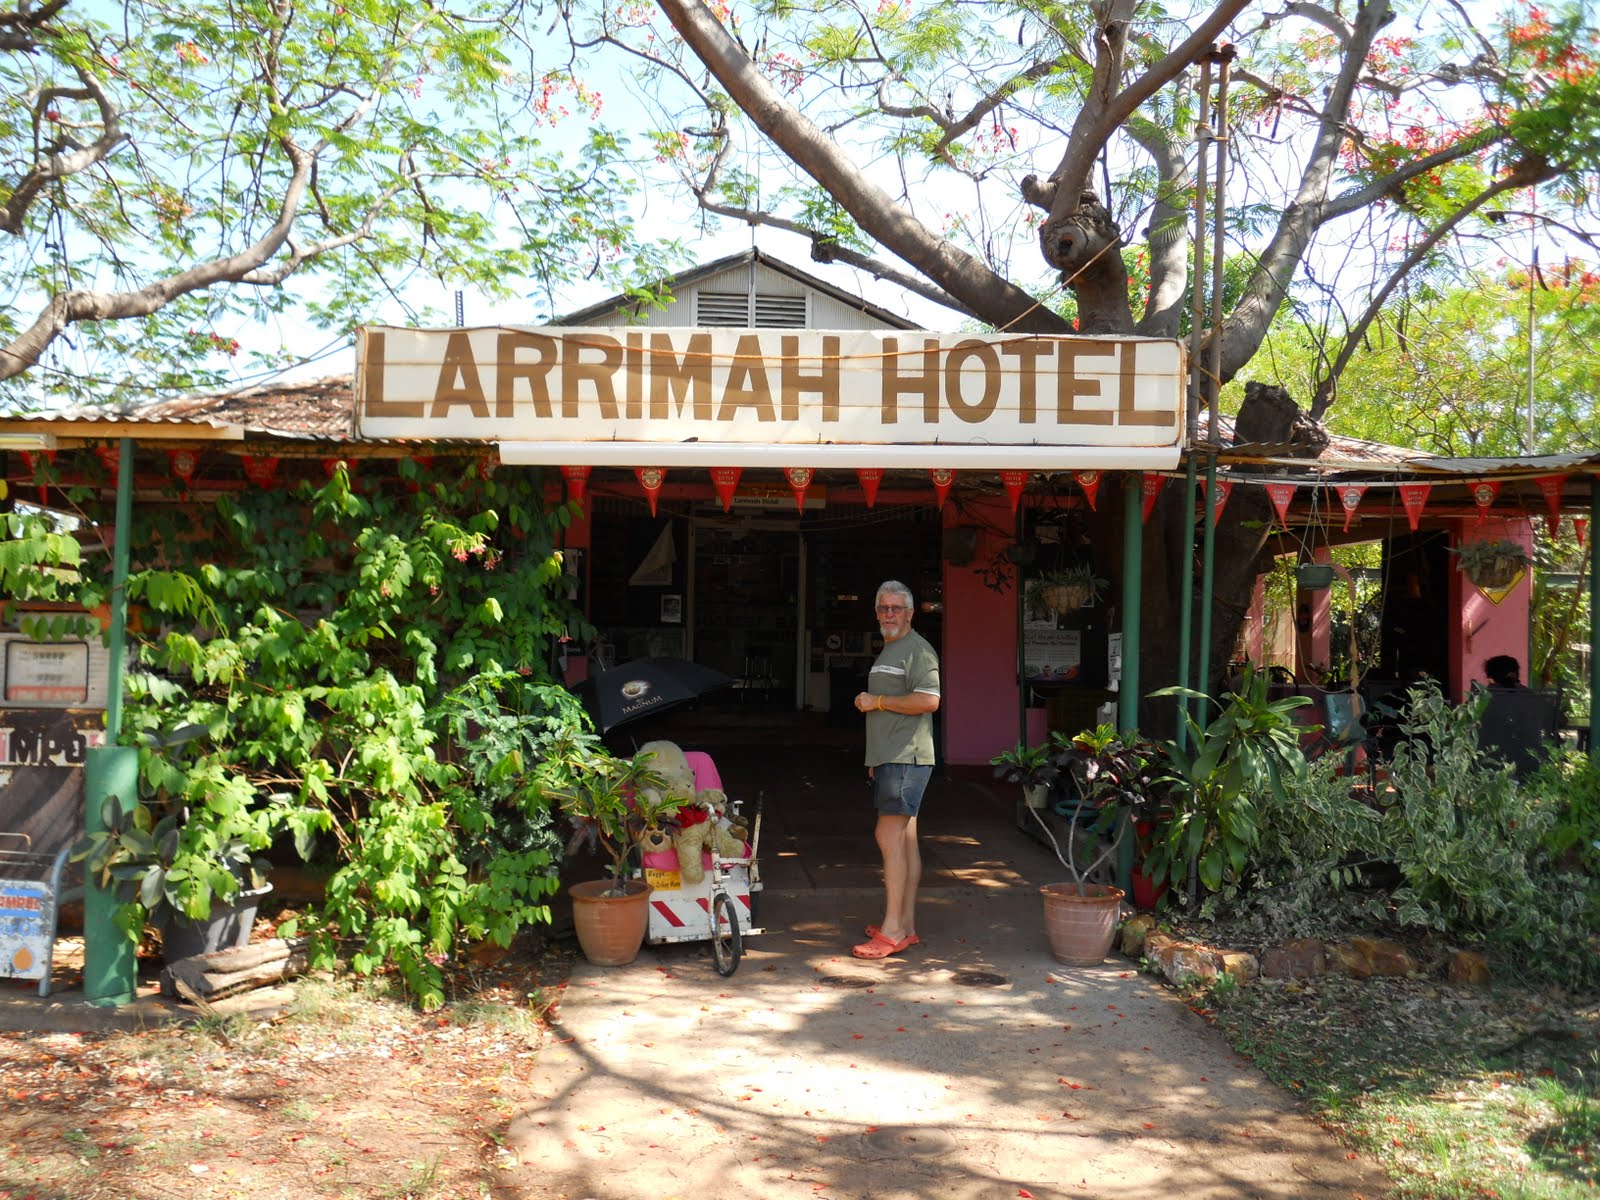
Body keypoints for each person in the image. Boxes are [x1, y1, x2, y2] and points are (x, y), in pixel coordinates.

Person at [849, 580, 940, 960]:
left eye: (897, 608)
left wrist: (878, 701)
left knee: (888, 836)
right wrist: (875, 760)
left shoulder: (918, 650)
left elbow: (929, 700)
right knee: (904, 840)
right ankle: (906, 926)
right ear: (876, 612)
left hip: (907, 758)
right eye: (884, 608)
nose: (890, 614)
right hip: (892, 759)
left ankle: (892, 930)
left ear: (910, 612)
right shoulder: (893, 648)